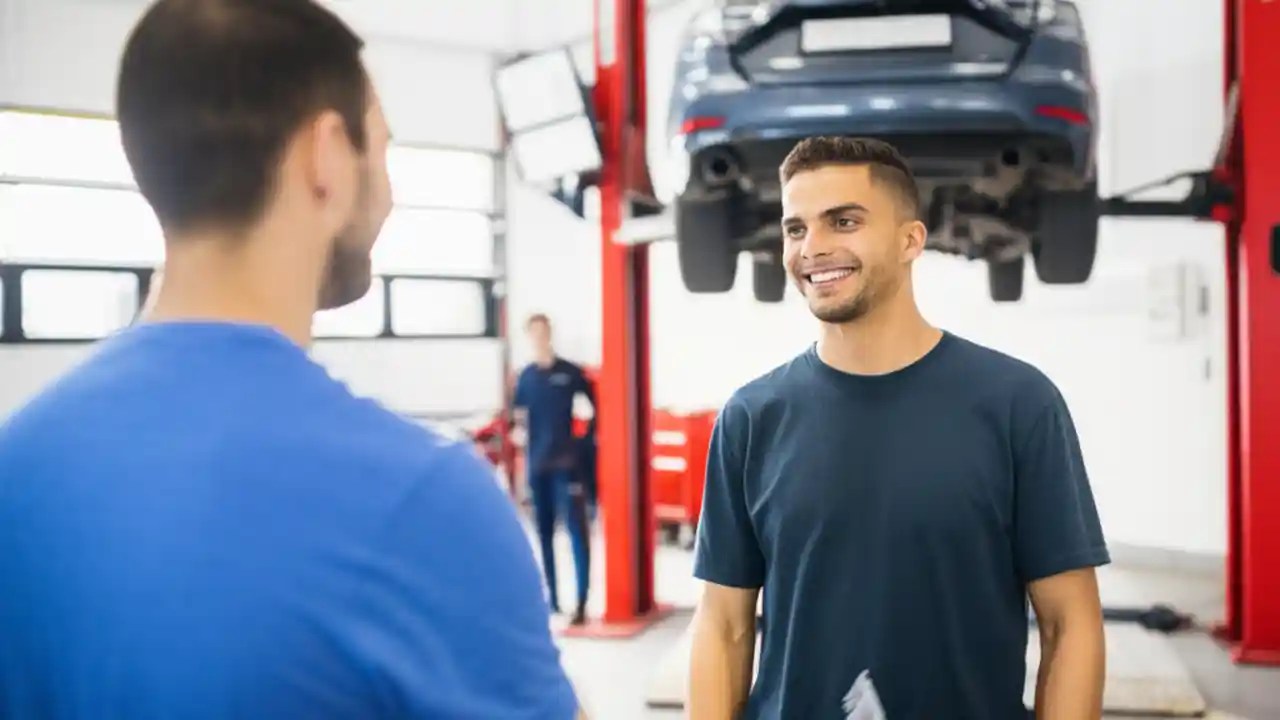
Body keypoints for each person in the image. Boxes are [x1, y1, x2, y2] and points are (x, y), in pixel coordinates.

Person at [0, 1, 583, 718]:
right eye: (384, 148)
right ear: (327, 156)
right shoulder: (424, 501)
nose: (391, 193)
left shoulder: (17, 472)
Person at [687, 137, 1108, 719]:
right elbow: (724, 626)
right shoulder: (751, 418)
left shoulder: (1018, 404)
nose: (814, 248)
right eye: (795, 228)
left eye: (844, 221)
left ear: (911, 239)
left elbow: (1071, 624)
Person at [513, 314, 596, 627]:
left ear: (550, 333)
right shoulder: (526, 378)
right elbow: (519, 420)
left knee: (576, 533)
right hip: (538, 467)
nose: (539, 338)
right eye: (533, 333)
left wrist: (583, 445)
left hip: (568, 467)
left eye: (543, 332)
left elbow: (595, 412)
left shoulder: (571, 374)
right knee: (544, 535)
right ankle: (553, 603)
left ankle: (581, 603)